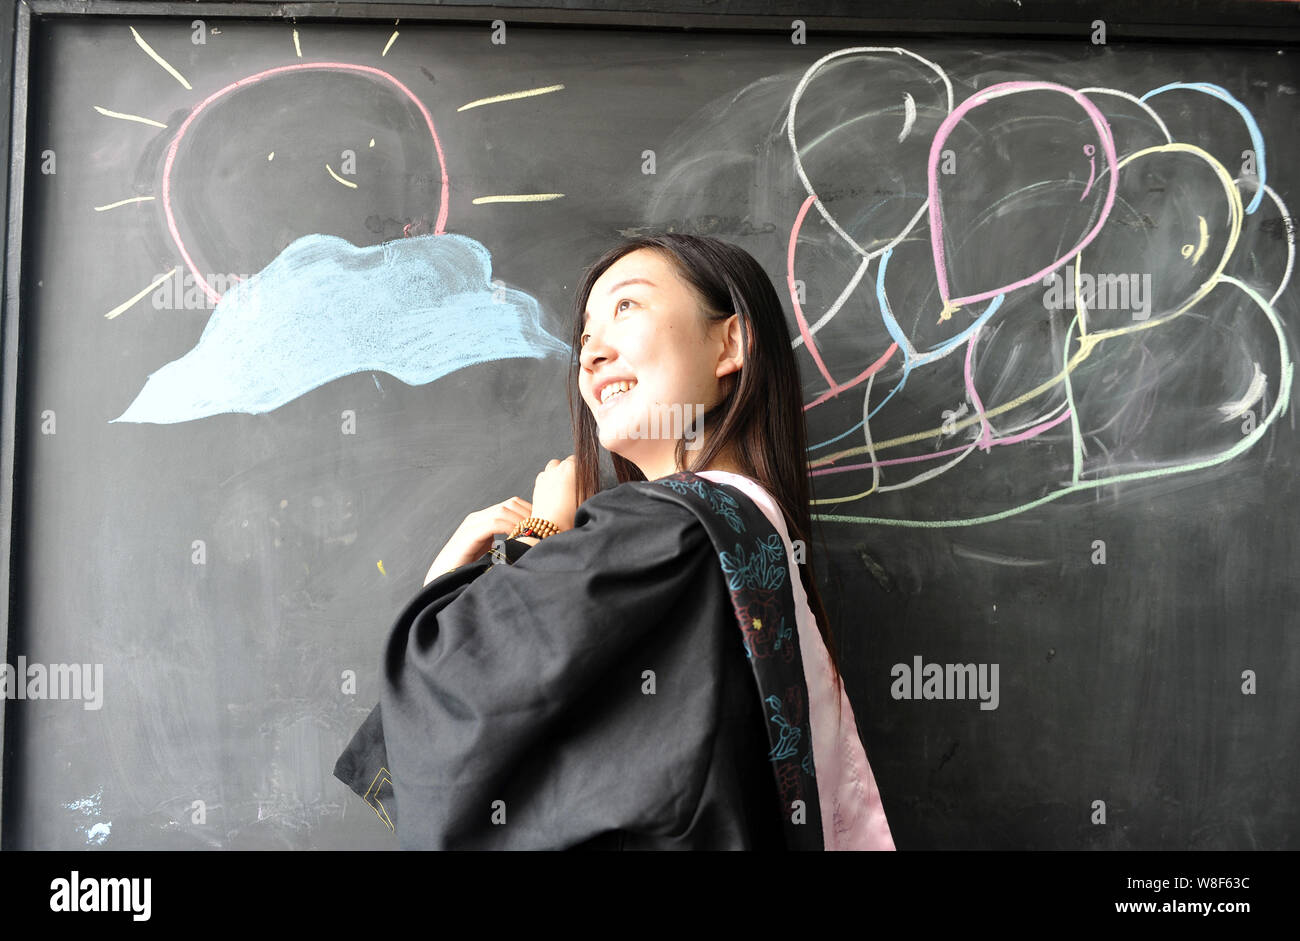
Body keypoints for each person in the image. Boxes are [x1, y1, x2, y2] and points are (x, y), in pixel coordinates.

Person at [334, 234, 894, 850]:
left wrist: (534, 538)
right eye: (583, 339)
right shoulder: (742, 532)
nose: (593, 353)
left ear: (730, 343)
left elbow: (454, 691)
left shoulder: (670, 529)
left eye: (627, 308)